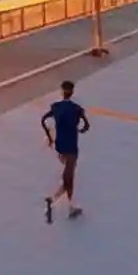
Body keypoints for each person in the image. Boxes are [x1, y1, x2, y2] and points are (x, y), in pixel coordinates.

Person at [41, 80, 90, 223]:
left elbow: (43, 120)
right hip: (71, 146)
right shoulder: (77, 109)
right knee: (69, 177)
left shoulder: (56, 107)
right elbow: (86, 126)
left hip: (60, 146)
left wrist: (50, 137)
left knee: (68, 174)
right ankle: (67, 206)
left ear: (62, 92)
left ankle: (55, 199)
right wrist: (81, 129)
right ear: (72, 92)